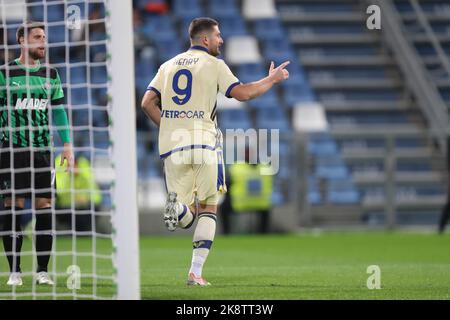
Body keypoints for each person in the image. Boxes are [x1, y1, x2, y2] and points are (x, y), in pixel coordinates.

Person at [141, 17, 289, 286]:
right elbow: (242, 94)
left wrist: (170, 127)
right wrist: (272, 79)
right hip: (203, 143)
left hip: (172, 145)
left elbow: (147, 102)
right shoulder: (215, 64)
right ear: (205, 39)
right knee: (209, 209)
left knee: (186, 217)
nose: (221, 40)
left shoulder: (167, 65)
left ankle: (179, 210)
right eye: (218, 35)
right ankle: (195, 273)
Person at [0, 21, 73, 286]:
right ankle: (15, 271)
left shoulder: (51, 73)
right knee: (13, 207)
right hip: (12, 151)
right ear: (22, 41)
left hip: (43, 152)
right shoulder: (5, 73)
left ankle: (42, 270)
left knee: (45, 207)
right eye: (37, 37)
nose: (43, 42)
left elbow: (59, 111)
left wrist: (66, 143)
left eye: (44, 37)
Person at [221, 147, 273, 234]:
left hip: (240, 203)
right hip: (261, 203)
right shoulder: (265, 167)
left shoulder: (236, 167)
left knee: (224, 207)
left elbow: (227, 186)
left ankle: (226, 233)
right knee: (266, 211)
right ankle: (264, 233)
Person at [55, 154, 102, 232]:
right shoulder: (62, 177)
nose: (73, 168)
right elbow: (59, 193)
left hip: (82, 208)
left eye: (74, 165)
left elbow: (95, 195)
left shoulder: (85, 176)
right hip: (66, 208)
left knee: (88, 210)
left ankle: (84, 231)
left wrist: (86, 199)